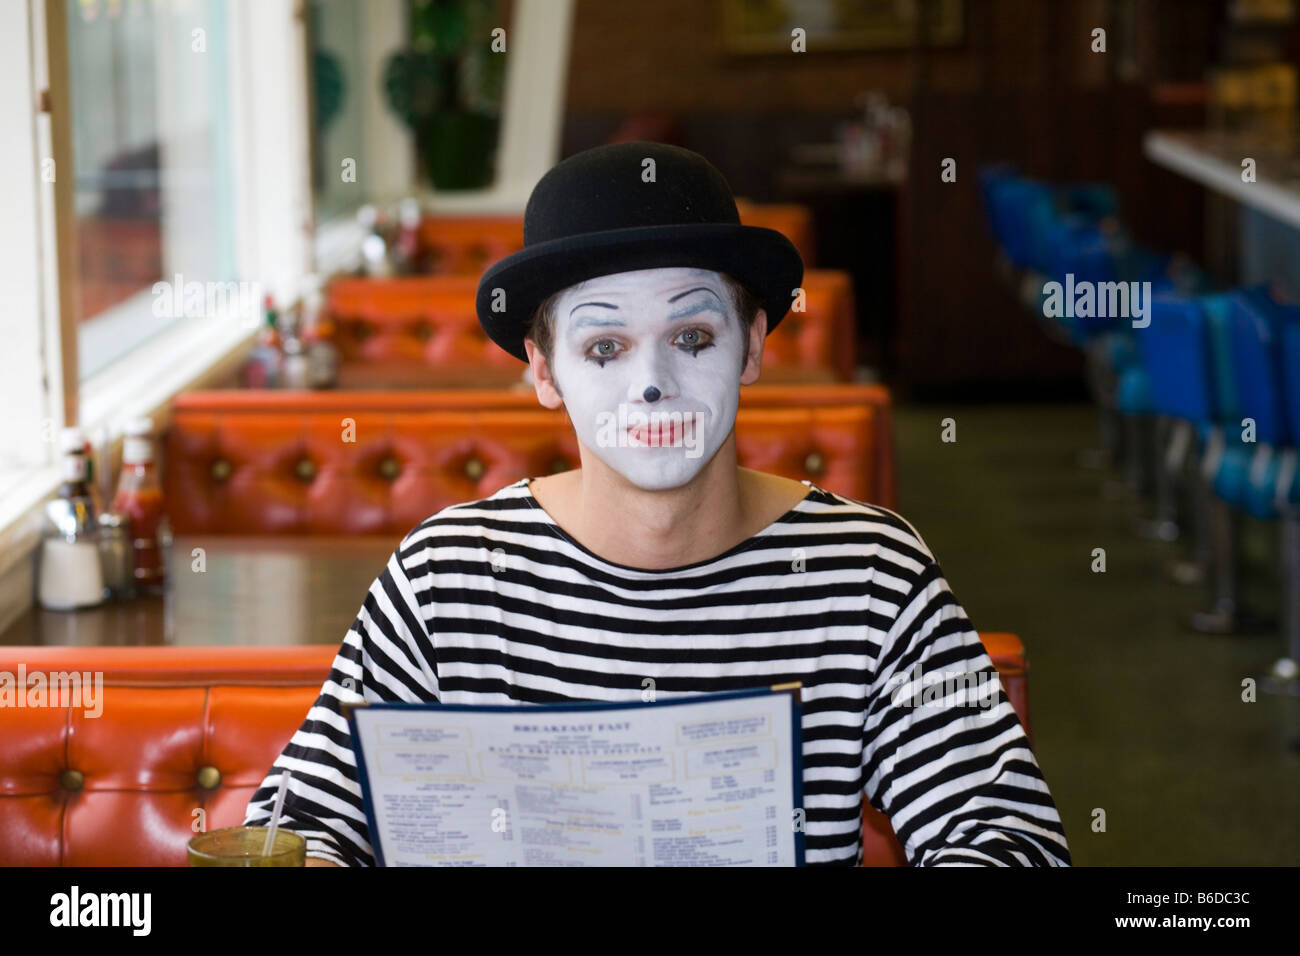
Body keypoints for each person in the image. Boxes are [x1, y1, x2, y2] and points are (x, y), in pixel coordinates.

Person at [245, 141, 1071, 867]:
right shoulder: (448, 578)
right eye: (604, 346)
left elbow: (1005, 834)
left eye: (693, 338)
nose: (652, 383)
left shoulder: (870, 574)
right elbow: (299, 822)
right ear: (543, 372)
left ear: (751, 346)